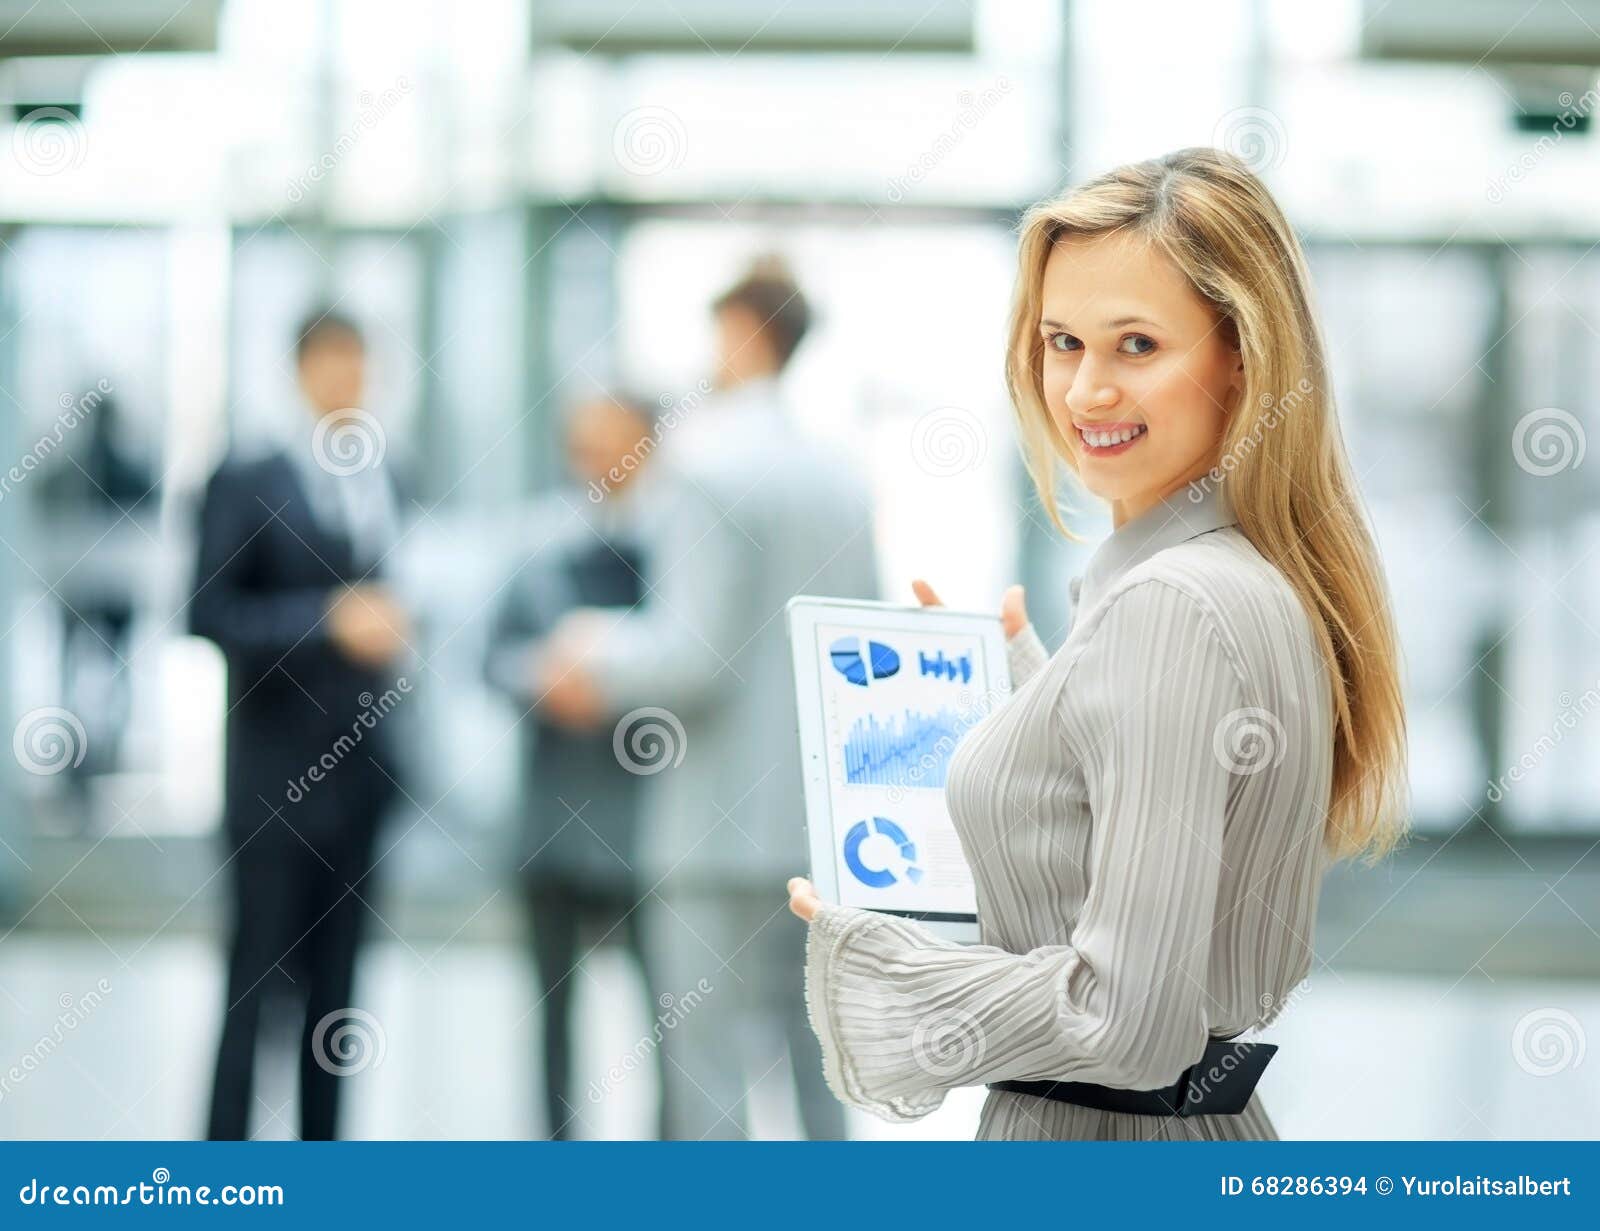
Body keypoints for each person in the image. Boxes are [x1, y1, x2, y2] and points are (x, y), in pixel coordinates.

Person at [787, 147, 1411, 1141]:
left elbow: (1126, 1023)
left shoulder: (1168, 607)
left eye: (1136, 345)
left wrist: (879, 974)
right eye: (1062, 341)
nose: (1083, 392)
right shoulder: (1240, 582)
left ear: (1244, 356)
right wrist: (1044, 692)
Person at [536, 257, 879, 1140]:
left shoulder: (704, 466)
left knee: (709, 1085)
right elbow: (864, 654)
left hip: (715, 825)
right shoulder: (842, 477)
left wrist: (592, 650)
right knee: (824, 1078)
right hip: (819, 833)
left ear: (739, 334)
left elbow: (694, 653)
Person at [192, 307, 411, 1140]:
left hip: (361, 780)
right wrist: (326, 620)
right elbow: (208, 612)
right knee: (253, 985)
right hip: (273, 781)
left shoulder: (389, 474)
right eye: (332, 363)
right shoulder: (249, 477)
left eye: (359, 364)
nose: (348, 381)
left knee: (338, 994)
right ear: (299, 370)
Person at [483, 393, 660, 1140]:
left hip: (648, 825)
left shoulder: (681, 547)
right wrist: (540, 679)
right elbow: (489, 658)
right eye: (585, 441)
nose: (599, 458)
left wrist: (621, 685)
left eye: (615, 441)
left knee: (670, 1011)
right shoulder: (537, 545)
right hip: (552, 817)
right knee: (552, 1007)